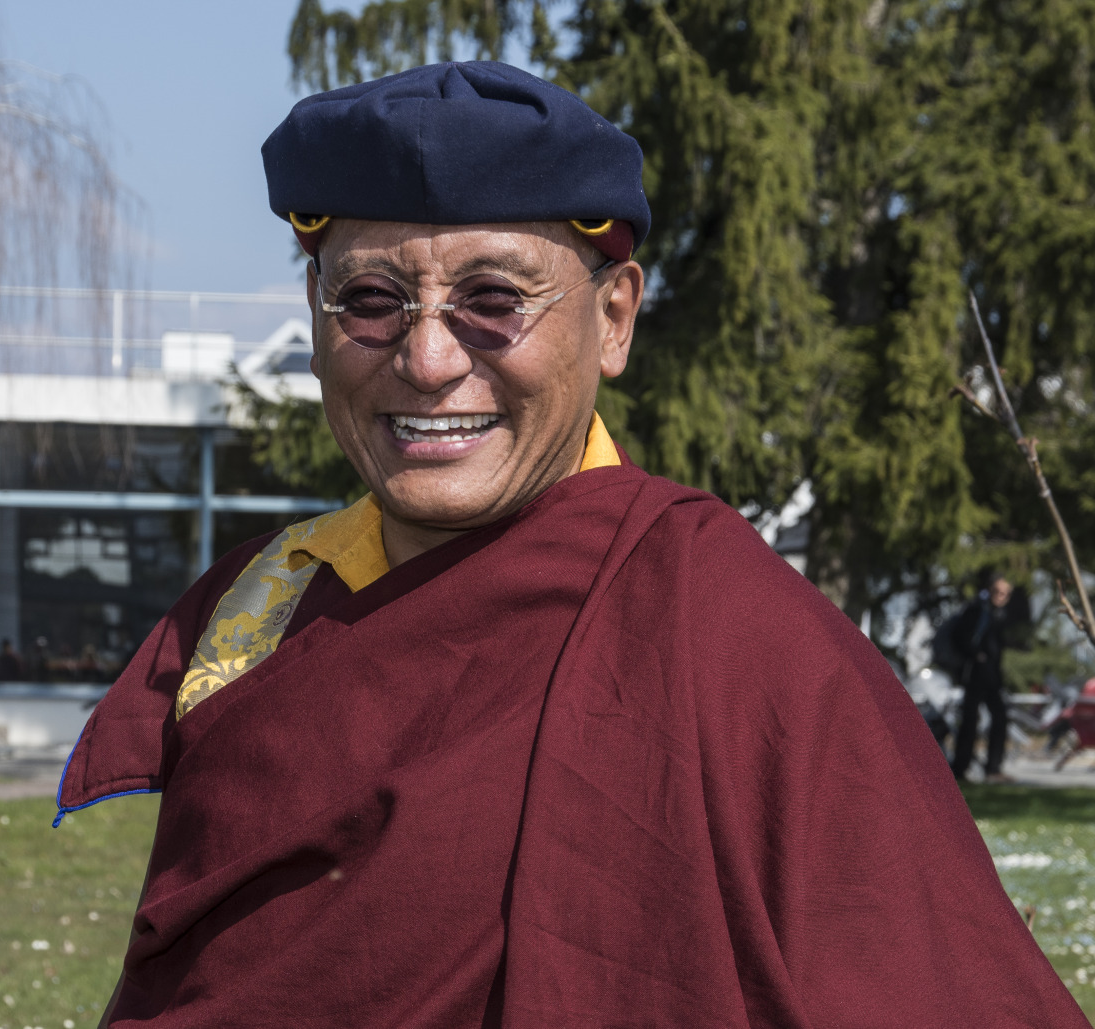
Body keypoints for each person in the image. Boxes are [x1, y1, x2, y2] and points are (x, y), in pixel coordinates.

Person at [55, 62, 1084, 1027]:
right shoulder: (259, 607)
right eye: (369, 300)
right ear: (316, 321)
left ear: (615, 318)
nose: (424, 359)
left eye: (494, 300)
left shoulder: (731, 628)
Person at [950, 575, 1014, 781]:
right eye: (998, 592)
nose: (1001, 597)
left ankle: (992, 768)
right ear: (990, 590)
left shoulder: (999, 614)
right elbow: (959, 637)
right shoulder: (977, 611)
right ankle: (960, 769)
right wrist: (975, 655)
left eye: (1006, 594)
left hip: (992, 676)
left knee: (1000, 718)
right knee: (970, 721)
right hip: (975, 674)